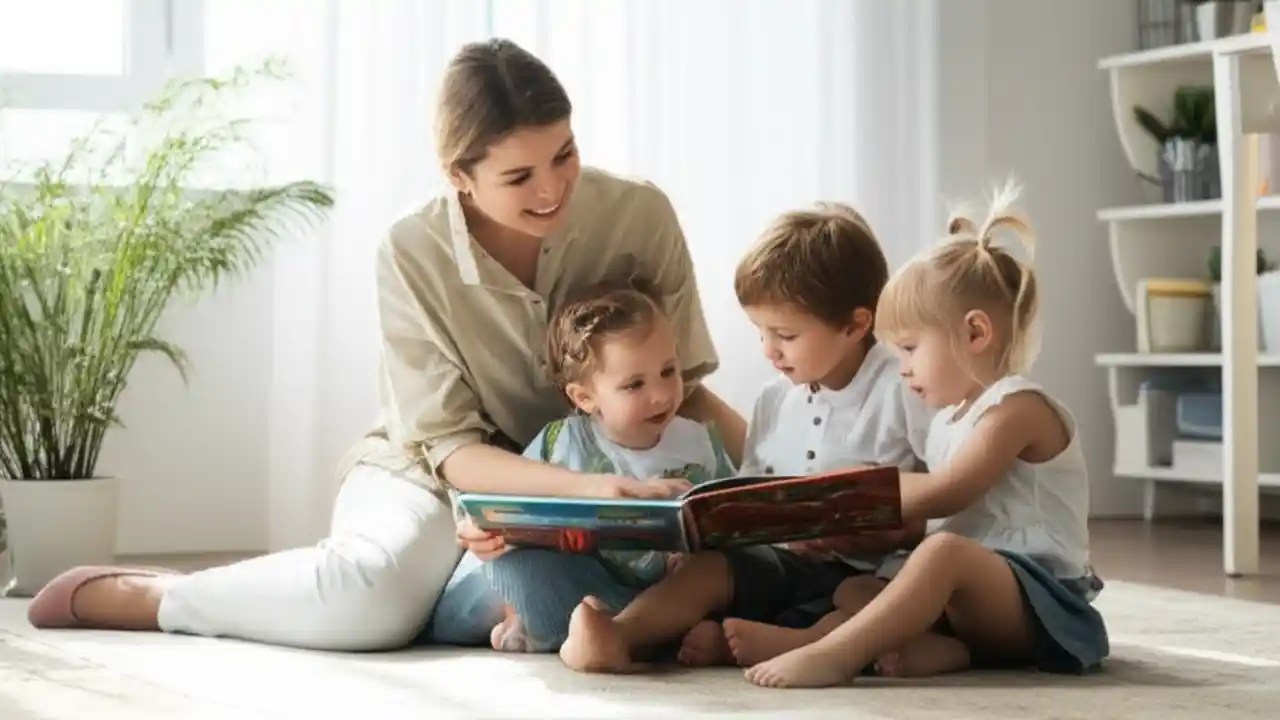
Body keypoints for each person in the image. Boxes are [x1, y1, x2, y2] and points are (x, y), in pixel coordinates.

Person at [25, 38, 744, 652]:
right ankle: (154, 599)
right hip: (434, 469)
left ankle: (486, 604)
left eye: (565, 154)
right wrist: (581, 495)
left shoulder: (638, 213)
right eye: (519, 176)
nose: (553, 188)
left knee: (725, 575)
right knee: (369, 600)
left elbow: (686, 387)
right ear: (459, 176)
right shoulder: (412, 249)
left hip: (593, 470)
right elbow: (451, 447)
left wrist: (785, 478)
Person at [743, 182, 1110, 688]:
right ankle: (944, 650)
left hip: (1039, 600)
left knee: (943, 556)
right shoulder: (947, 419)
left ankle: (835, 654)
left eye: (911, 348)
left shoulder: (1018, 409)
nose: (902, 366)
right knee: (858, 591)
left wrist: (849, 490)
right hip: (972, 601)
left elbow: (947, 493)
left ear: (975, 334)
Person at [553, 202, 931, 673]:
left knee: (869, 602)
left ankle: (790, 643)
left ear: (855, 325)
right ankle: (620, 635)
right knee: (708, 571)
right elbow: (750, 502)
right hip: (786, 568)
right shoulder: (774, 401)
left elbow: (947, 500)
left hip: (874, 575)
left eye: (785, 335)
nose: (768, 350)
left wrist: (884, 529)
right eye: (760, 332)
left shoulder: (905, 386)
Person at [427, 278, 735, 652]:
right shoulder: (564, 443)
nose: (660, 395)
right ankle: (559, 625)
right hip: (585, 589)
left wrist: (691, 557)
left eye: (669, 371)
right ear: (585, 397)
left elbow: (724, 525)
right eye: (634, 385)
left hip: (660, 597)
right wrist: (483, 531)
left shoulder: (700, 444)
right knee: (517, 566)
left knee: (724, 571)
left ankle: (627, 634)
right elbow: (503, 510)